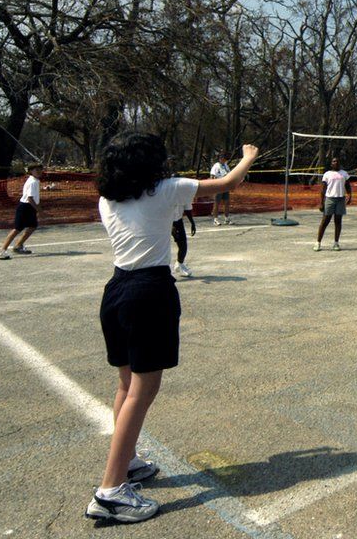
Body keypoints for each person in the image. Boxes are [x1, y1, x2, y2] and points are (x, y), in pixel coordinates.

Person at [85, 133, 258, 524]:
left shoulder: (108, 197)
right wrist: (247, 157)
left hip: (116, 291)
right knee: (142, 392)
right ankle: (110, 491)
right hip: (149, 292)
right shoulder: (165, 189)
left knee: (125, 386)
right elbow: (228, 185)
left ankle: (126, 462)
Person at [0, 163, 43, 260]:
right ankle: (2, 251)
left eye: (40, 170)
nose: (38, 172)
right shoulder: (33, 182)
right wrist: (38, 209)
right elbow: (30, 198)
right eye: (36, 170)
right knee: (17, 229)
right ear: (30, 171)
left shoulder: (35, 180)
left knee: (32, 226)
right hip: (25, 207)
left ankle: (18, 246)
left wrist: (36, 208)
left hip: (30, 207)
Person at [315, 157, 351, 251]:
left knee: (338, 221)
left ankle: (336, 243)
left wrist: (349, 195)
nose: (336, 162)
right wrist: (321, 203)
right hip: (330, 199)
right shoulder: (327, 174)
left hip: (340, 199)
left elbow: (348, 185)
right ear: (331, 163)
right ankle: (318, 242)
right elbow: (323, 190)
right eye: (334, 161)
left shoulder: (344, 173)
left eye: (337, 161)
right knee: (325, 221)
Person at [171, 200, 196, 277]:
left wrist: (192, 223)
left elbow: (187, 209)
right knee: (162, 246)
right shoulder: (166, 191)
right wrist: (171, 226)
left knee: (183, 245)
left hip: (178, 220)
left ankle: (179, 264)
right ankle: (164, 269)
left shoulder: (184, 193)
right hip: (163, 221)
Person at [210, 153, 232, 225]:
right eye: (223, 158)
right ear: (220, 159)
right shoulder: (216, 166)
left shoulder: (226, 165)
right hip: (218, 186)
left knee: (227, 202)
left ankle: (226, 219)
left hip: (225, 186)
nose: (224, 160)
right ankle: (215, 219)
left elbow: (229, 174)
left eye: (225, 159)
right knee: (217, 203)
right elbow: (212, 176)